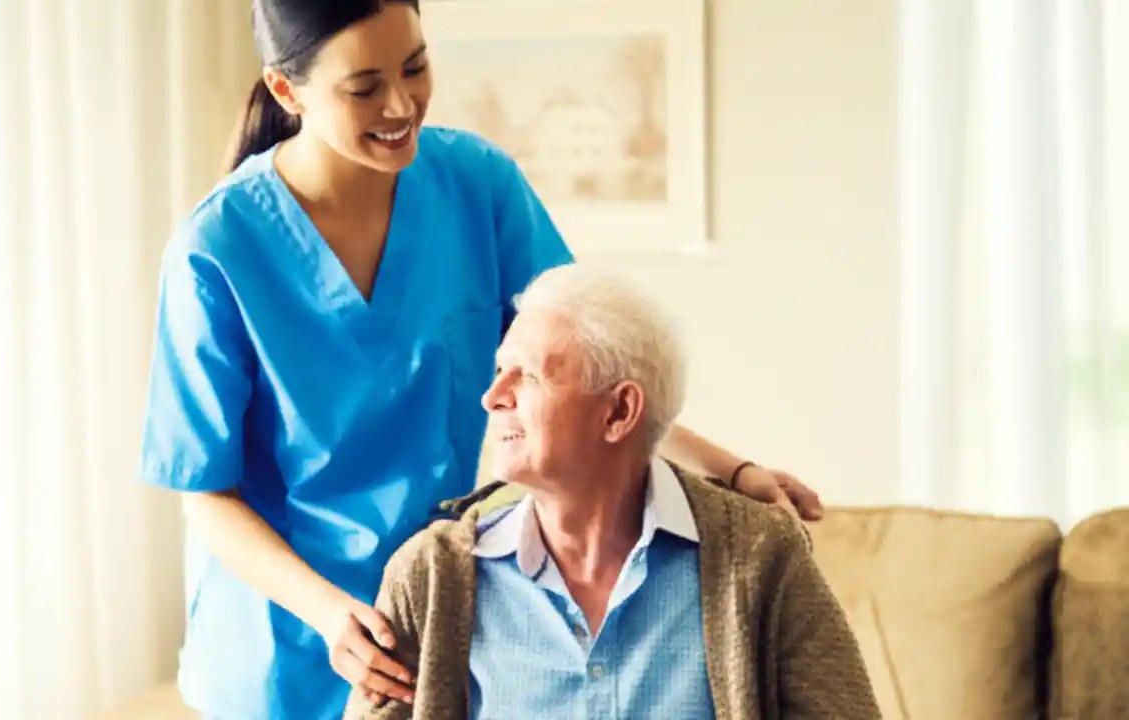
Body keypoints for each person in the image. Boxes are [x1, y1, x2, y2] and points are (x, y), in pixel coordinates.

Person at [139, 1, 824, 718]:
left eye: (415, 66)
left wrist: (731, 469)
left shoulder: (476, 184)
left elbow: (590, 375)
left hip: (432, 613)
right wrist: (329, 613)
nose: (401, 105)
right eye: (364, 87)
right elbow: (203, 492)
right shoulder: (216, 249)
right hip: (283, 638)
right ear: (288, 91)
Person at [344, 265, 878, 720]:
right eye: (499, 370)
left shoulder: (762, 556)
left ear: (620, 411)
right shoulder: (431, 578)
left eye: (526, 377)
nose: (492, 397)